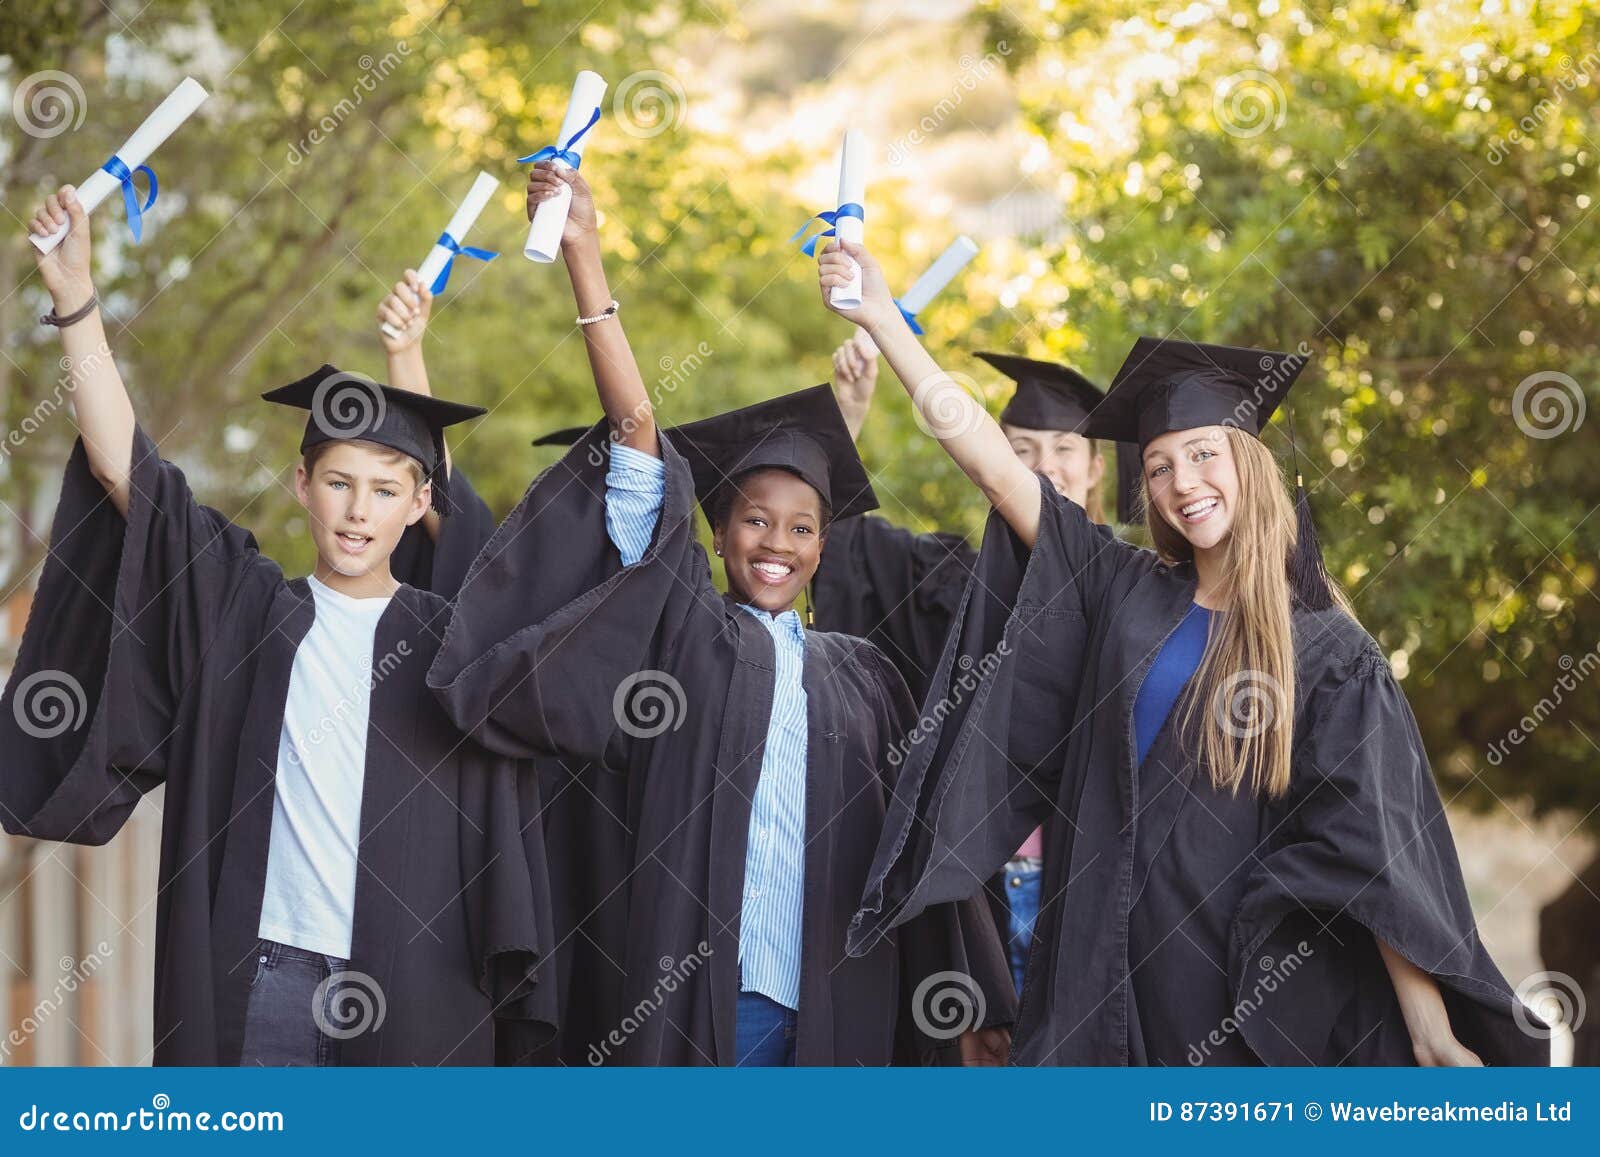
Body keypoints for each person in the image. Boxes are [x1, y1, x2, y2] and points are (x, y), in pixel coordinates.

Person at [817, 237, 1548, 1066]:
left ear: (1251, 462)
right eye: (1160, 466)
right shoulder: (1123, 588)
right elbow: (993, 465)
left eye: (1204, 454)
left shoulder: (1329, 652)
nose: (1181, 481)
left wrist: (1428, 1027)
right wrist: (883, 316)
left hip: (1227, 990)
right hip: (1089, 973)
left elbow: (1374, 850)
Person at [427, 162, 1015, 1066]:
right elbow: (636, 446)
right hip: (698, 1009)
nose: (776, 543)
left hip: (836, 1012)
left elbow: (920, 843)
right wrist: (586, 257)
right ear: (722, 529)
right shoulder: (685, 632)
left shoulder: (865, 675)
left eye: (801, 527)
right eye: (755, 519)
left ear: (825, 544)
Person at [0, 187, 557, 1066]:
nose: (356, 511)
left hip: (418, 989)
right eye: (338, 482)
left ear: (418, 504)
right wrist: (76, 302)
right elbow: (128, 473)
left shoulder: (453, 645)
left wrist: (410, 355)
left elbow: (497, 572)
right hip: (264, 983)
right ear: (303, 486)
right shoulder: (248, 606)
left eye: (384, 490)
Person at [815, 337, 1135, 996]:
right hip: (973, 889)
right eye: (1021, 450)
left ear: (1096, 466)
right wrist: (845, 414)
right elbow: (833, 537)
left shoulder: (1137, 589)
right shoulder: (946, 580)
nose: (1046, 467)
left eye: (1065, 449)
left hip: (1100, 887)